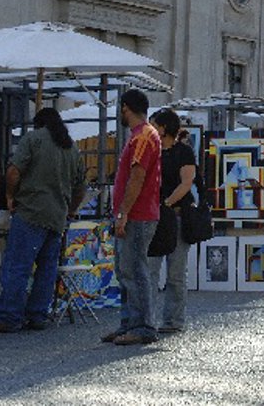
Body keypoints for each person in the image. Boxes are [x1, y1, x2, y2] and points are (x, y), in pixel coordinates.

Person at [0, 108, 85, 334]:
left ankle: (10, 317)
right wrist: (70, 211)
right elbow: (80, 187)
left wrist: (9, 195)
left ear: (39, 123)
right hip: (56, 217)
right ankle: (37, 315)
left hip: (31, 212)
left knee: (17, 267)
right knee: (46, 269)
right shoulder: (71, 147)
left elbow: (14, 171)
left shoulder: (33, 139)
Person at [103, 89, 161, 346]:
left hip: (138, 214)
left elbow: (136, 177)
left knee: (135, 271)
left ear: (126, 108)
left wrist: (123, 213)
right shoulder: (143, 135)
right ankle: (129, 323)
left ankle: (142, 325)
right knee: (126, 270)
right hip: (138, 213)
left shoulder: (143, 137)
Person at [150, 108, 195, 334]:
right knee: (150, 269)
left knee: (176, 271)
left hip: (175, 212)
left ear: (164, 128)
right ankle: (147, 319)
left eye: (154, 125)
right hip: (154, 213)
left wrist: (166, 203)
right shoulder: (152, 150)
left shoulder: (183, 152)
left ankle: (173, 320)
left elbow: (187, 183)